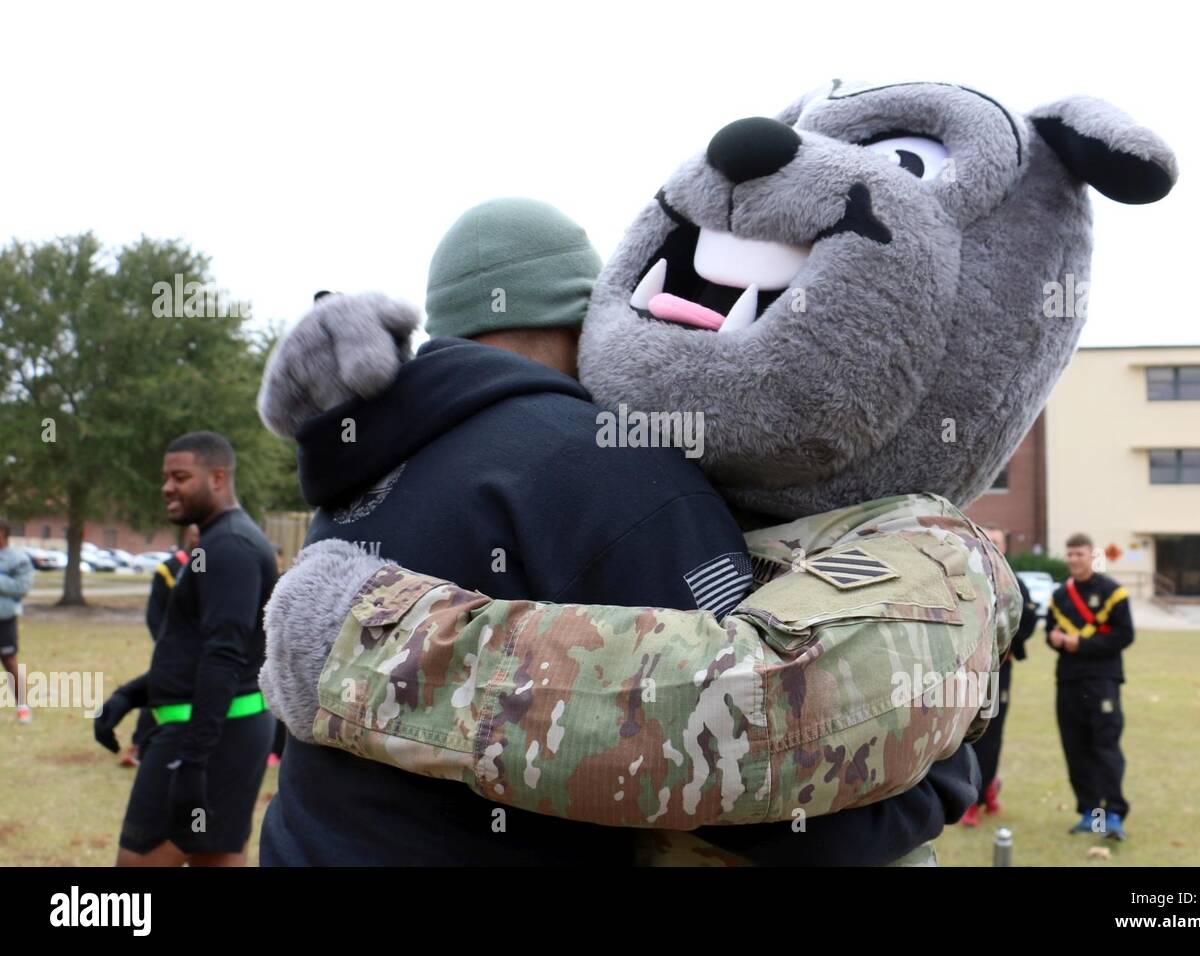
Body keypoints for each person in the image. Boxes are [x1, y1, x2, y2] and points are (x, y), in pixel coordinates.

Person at [256, 199, 980, 866]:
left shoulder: (361, 466)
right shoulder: (609, 460)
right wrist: (940, 781)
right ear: (585, 314)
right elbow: (736, 756)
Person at [93, 432, 278, 866]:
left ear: (218, 478)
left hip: (207, 736)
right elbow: (193, 650)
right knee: (214, 860)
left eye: (180, 477)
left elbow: (224, 657)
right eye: (164, 477)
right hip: (222, 731)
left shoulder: (229, 547)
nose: (167, 487)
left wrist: (193, 762)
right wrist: (130, 695)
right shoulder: (216, 542)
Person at [1048, 532, 1134, 840]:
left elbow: (1124, 636)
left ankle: (1113, 815)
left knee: (1105, 747)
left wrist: (1078, 643)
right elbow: (1050, 632)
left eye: (1079, 554)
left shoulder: (1113, 593)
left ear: (1091, 556)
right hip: (1069, 681)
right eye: (1069, 554)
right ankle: (1090, 814)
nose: (1073, 560)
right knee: (1076, 748)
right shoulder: (1059, 595)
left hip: (1103, 681)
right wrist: (1056, 640)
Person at [960, 525, 1037, 826]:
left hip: (996, 674)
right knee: (964, 731)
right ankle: (980, 789)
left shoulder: (1015, 583)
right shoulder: (969, 580)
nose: (991, 545)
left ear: (1005, 547)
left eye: (997, 541)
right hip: (967, 672)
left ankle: (978, 798)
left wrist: (1008, 646)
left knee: (989, 733)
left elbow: (1028, 620)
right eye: (987, 541)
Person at [120, 524, 200, 768]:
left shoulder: (215, 565)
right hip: (173, 647)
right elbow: (155, 613)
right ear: (187, 533)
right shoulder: (170, 569)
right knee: (158, 691)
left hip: (205, 647)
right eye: (196, 531)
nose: (200, 536)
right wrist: (167, 644)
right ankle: (139, 745)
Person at [0, 519, 35, 724]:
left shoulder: (18, 559)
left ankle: (23, 707)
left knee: (9, 662)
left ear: (4, 533)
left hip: (4, 618)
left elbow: (22, 587)